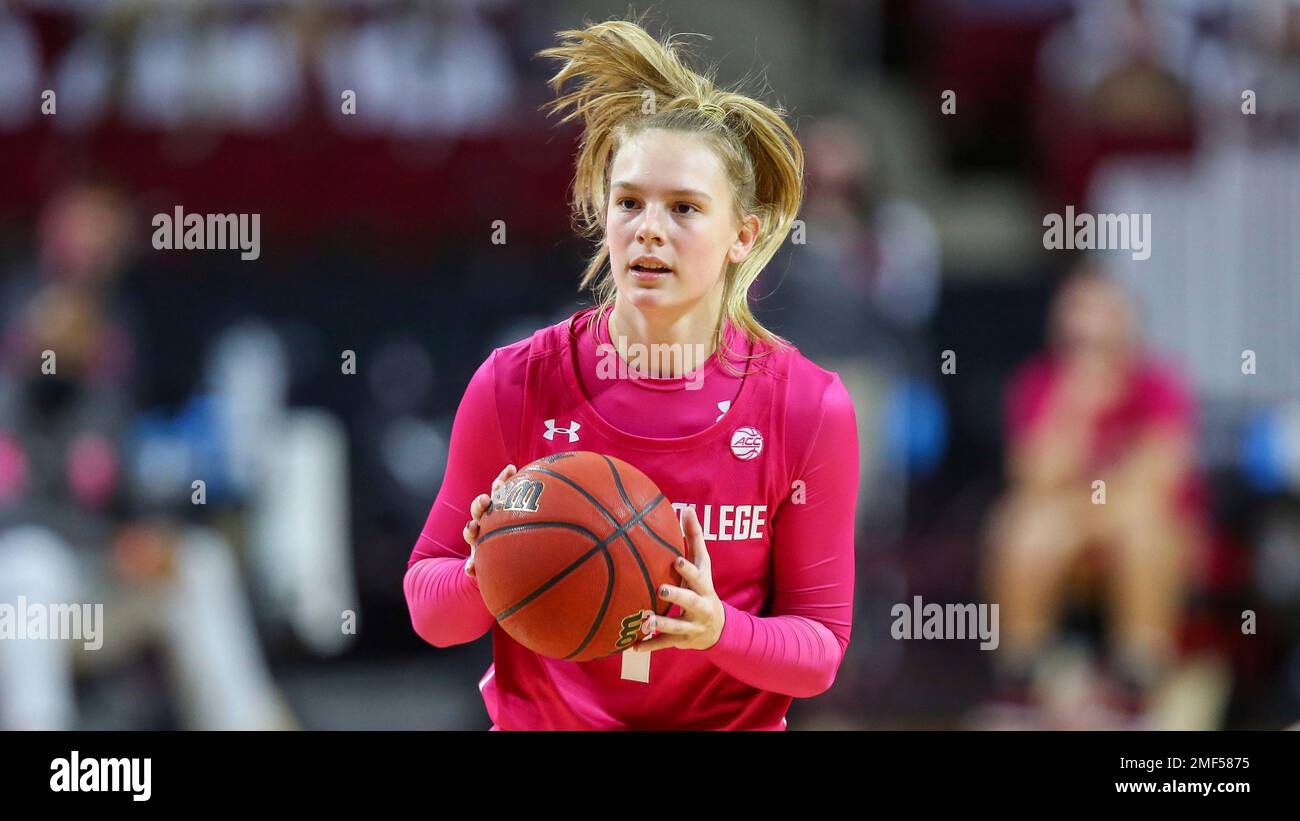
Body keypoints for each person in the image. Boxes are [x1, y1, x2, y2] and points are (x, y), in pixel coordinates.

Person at [403, 19, 860, 730]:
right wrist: (487, 564)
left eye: (683, 208)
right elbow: (430, 613)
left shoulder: (807, 405)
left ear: (743, 233)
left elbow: (820, 648)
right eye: (629, 203)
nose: (649, 229)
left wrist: (720, 629)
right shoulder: (515, 382)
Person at [982, 264, 1209, 728]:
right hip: (1069, 531)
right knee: (1023, 525)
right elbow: (1031, 475)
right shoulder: (1041, 383)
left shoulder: (1158, 383)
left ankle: (1135, 684)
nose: (1090, 341)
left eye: (1102, 319)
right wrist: (1076, 406)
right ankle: (1021, 680)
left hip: (1142, 532)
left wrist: (1091, 514)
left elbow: (1159, 477)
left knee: (1141, 529)